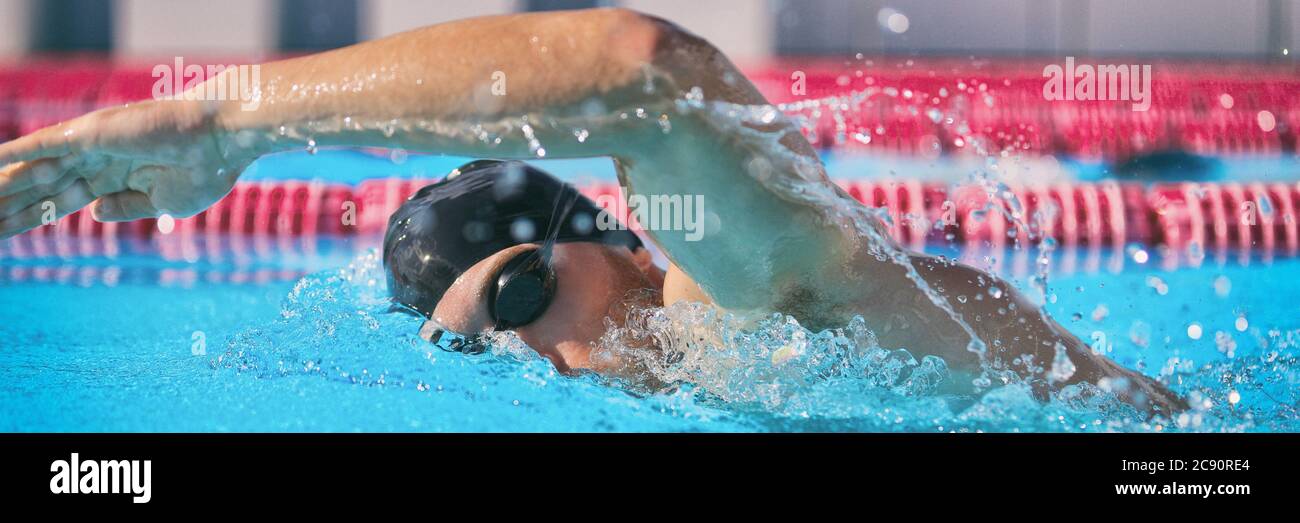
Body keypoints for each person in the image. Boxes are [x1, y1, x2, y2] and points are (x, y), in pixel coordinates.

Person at [0, 8, 1184, 414]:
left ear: (621, 233)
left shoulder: (747, 297)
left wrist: (232, 120)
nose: (543, 358)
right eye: (485, 340)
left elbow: (639, 70)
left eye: (523, 290)